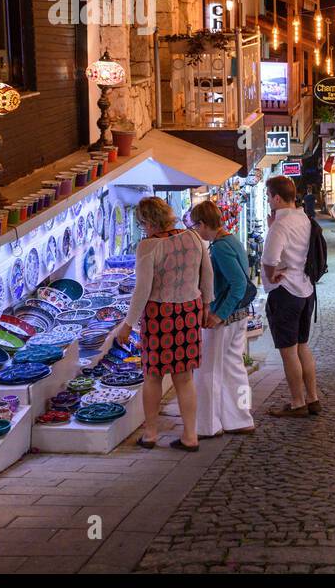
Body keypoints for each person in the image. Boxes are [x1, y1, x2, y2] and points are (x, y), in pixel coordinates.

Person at [110, 197, 213, 451]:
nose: (143, 228)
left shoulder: (148, 246)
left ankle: (151, 433)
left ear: (148, 221)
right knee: (184, 378)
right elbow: (207, 275)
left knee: (153, 376)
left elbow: (142, 291)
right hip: (189, 311)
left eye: (142, 223)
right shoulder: (193, 238)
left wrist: (127, 324)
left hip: (160, 314)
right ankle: (190, 435)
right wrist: (206, 305)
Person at [190, 200, 256, 438]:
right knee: (235, 369)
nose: (195, 232)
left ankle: (208, 425)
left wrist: (219, 314)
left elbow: (238, 283)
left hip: (225, 319)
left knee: (208, 372)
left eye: (195, 226)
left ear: (204, 224)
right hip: (238, 316)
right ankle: (242, 417)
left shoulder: (219, 247)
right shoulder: (232, 240)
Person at [262, 175, 320, 418]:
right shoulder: (303, 217)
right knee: (302, 347)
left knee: (288, 351)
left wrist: (272, 275)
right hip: (305, 289)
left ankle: (297, 402)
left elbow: (269, 260)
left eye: (268, 197)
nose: (267, 200)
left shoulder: (280, 225)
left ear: (276, 198)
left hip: (286, 292)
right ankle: (313, 398)